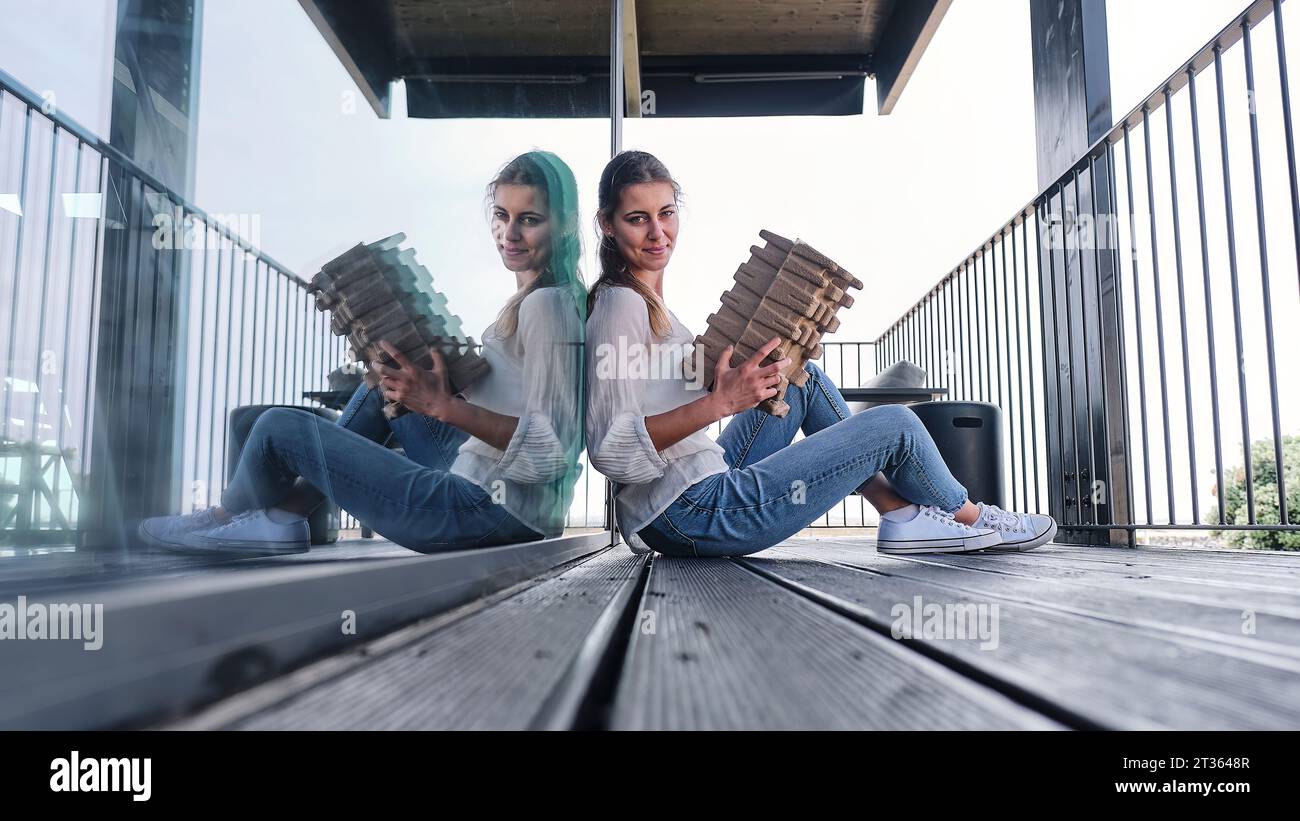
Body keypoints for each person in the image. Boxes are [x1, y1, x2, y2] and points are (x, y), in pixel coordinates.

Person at [583, 150, 1057, 557]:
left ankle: (900, 514)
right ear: (608, 224)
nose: (657, 232)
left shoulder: (649, 304)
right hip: (688, 511)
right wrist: (719, 403)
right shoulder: (620, 304)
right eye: (637, 218)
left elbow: (668, 407)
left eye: (666, 213)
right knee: (895, 424)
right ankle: (973, 518)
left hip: (692, 490)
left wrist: (736, 380)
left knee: (799, 377)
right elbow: (610, 447)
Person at [139, 150, 586, 555]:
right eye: (502, 215)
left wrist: (442, 406)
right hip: (498, 494)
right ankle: (284, 518)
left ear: (563, 223)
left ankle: (226, 517)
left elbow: (554, 451)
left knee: (278, 427)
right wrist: (441, 383)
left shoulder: (548, 306)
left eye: (529, 219)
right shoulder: (544, 298)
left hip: (484, 510)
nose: (510, 233)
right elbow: (521, 401)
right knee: (387, 381)